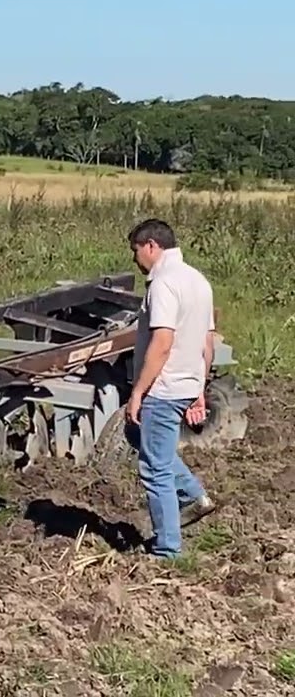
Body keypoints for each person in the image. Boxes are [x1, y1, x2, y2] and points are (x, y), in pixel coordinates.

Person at [126, 218, 218, 559]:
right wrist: (199, 387)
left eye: (136, 250)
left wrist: (138, 392)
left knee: (155, 469)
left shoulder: (163, 283)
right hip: (186, 383)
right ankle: (192, 494)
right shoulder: (198, 281)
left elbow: (162, 343)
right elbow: (207, 343)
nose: (135, 259)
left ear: (151, 246)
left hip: (163, 388)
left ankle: (167, 550)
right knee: (136, 434)